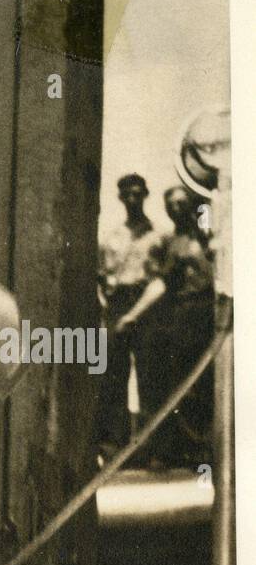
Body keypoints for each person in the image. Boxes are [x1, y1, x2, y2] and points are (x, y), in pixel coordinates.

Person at [115, 184, 215, 466]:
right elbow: (160, 283)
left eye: (182, 202)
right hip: (184, 316)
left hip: (214, 314)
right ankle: (190, 451)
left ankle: (209, 448)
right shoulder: (170, 243)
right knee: (185, 384)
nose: (176, 208)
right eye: (170, 204)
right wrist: (133, 314)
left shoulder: (212, 237)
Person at [96, 174, 161, 454]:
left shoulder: (157, 237)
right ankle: (116, 443)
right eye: (127, 195)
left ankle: (151, 446)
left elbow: (159, 279)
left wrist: (135, 313)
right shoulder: (111, 238)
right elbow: (101, 275)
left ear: (146, 194)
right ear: (121, 198)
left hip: (146, 304)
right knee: (113, 374)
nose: (133, 199)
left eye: (138, 194)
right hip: (117, 303)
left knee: (149, 374)